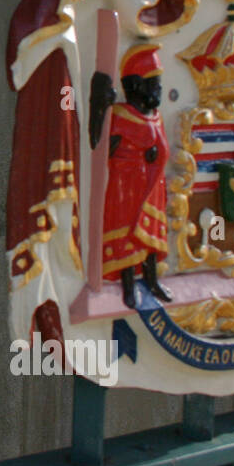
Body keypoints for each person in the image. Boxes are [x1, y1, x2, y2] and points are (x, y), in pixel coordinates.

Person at [90, 44, 172, 307]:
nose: (158, 90)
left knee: (150, 237)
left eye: (159, 84)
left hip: (153, 188)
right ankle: (128, 285)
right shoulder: (122, 116)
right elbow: (103, 149)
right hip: (126, 189)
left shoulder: (156, 117)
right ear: (136, 86)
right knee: (127, 237)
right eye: (153, 84)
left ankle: (151, 279)